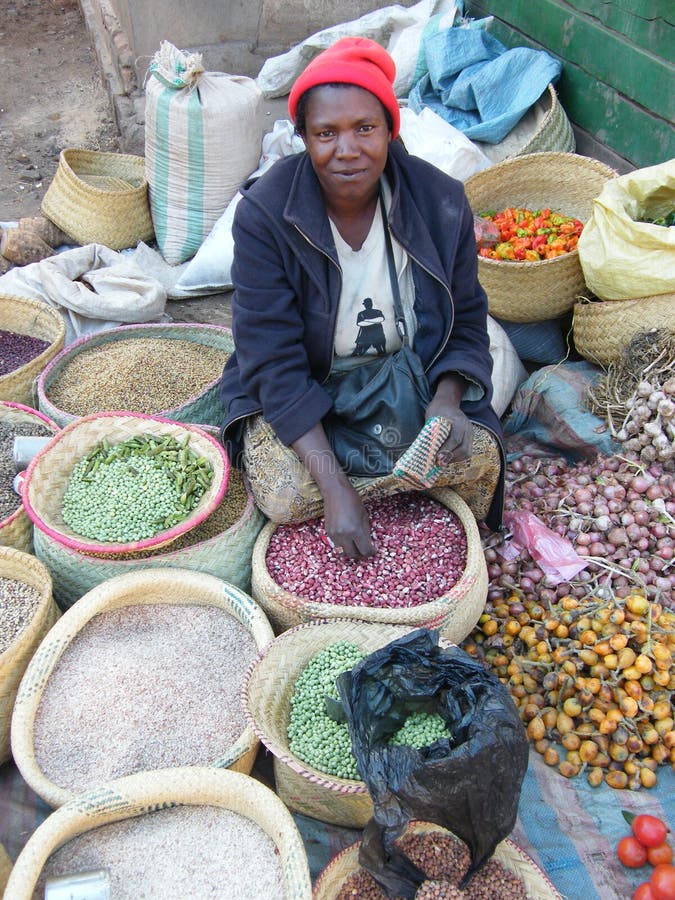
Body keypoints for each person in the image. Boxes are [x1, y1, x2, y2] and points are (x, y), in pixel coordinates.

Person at [220, 36, 504, 559]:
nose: (346, 150)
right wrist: (333, 485)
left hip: (409, 376)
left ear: (391, 130)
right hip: (310, 389)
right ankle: (351, 477)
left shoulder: (441, 201)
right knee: (288, 493)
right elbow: (272, 361)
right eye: (325, 133)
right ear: (302, 137)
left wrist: (446, 405)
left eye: (365, 129)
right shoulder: (266, 215)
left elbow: (466, 319)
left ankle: (396, 469)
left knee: (477, 457)